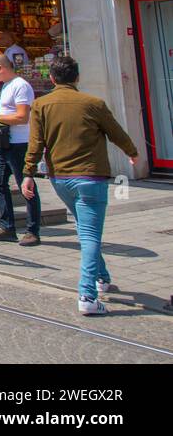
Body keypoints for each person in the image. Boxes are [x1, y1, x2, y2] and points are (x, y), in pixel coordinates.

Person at [21, 56, 140, 316]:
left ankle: (102, 277)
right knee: (89, 234)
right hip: (90, 176)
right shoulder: (93, 103)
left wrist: (28, 173)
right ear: (77, 77)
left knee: (84, 227)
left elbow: (36, 143)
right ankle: (87, 294)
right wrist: (132, 152)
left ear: (52, 79)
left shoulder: (41, 104)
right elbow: (115, 131)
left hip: (60, 178)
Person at [0, 54, 40, 246]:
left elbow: (22, 116)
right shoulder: (5, 86)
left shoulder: (20, 86)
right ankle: (7, 226)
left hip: (19, 143)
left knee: (26, 186)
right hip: (3, 142)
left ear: (1, 67)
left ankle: (32, 230)